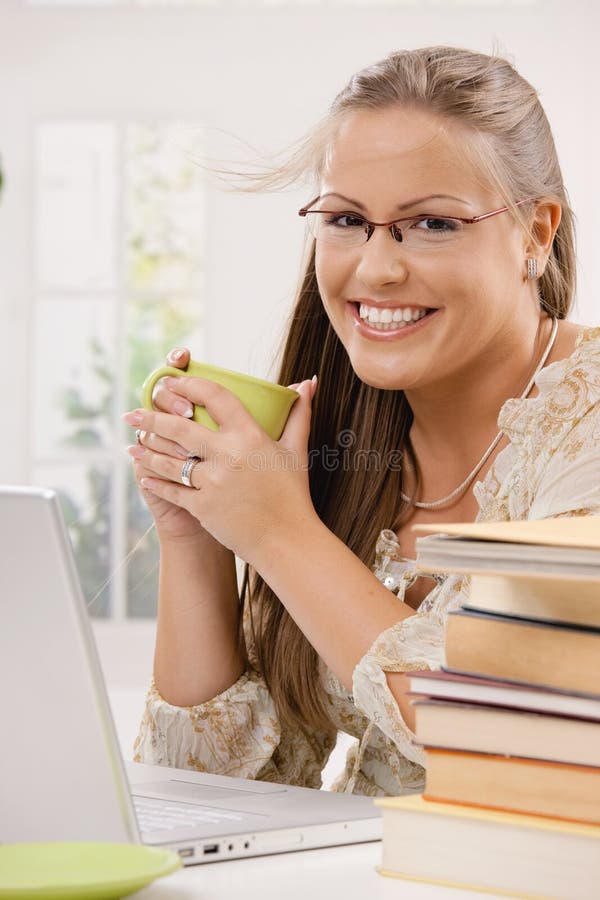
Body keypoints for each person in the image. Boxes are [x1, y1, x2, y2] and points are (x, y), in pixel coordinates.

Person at [125, 46, 600, 796]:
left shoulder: (588, 424)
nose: (376, 269)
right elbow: (194, 791)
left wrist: (277, 533)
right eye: (347, 219)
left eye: (432, 224)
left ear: (535, 235)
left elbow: (509, 736)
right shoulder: (346, 427)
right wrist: (197, 532)